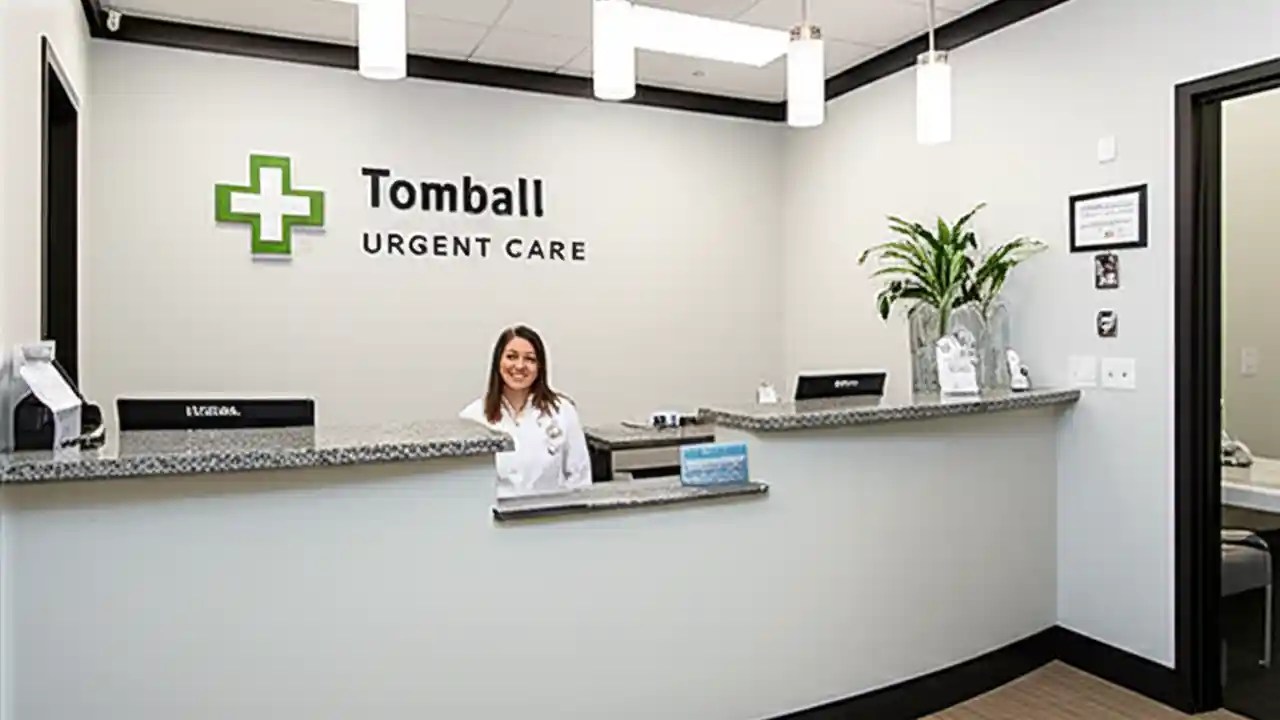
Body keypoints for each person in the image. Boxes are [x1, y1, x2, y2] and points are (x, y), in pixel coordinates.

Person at [460, 325, 591, 498]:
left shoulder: (562, 411)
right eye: (511, 357)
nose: (520, 366)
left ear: (540, 367)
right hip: (493, 520)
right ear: (498, 362)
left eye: (530, 359)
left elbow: (579, 478)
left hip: (551, 518)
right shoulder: (474, 416)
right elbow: (466, 488)